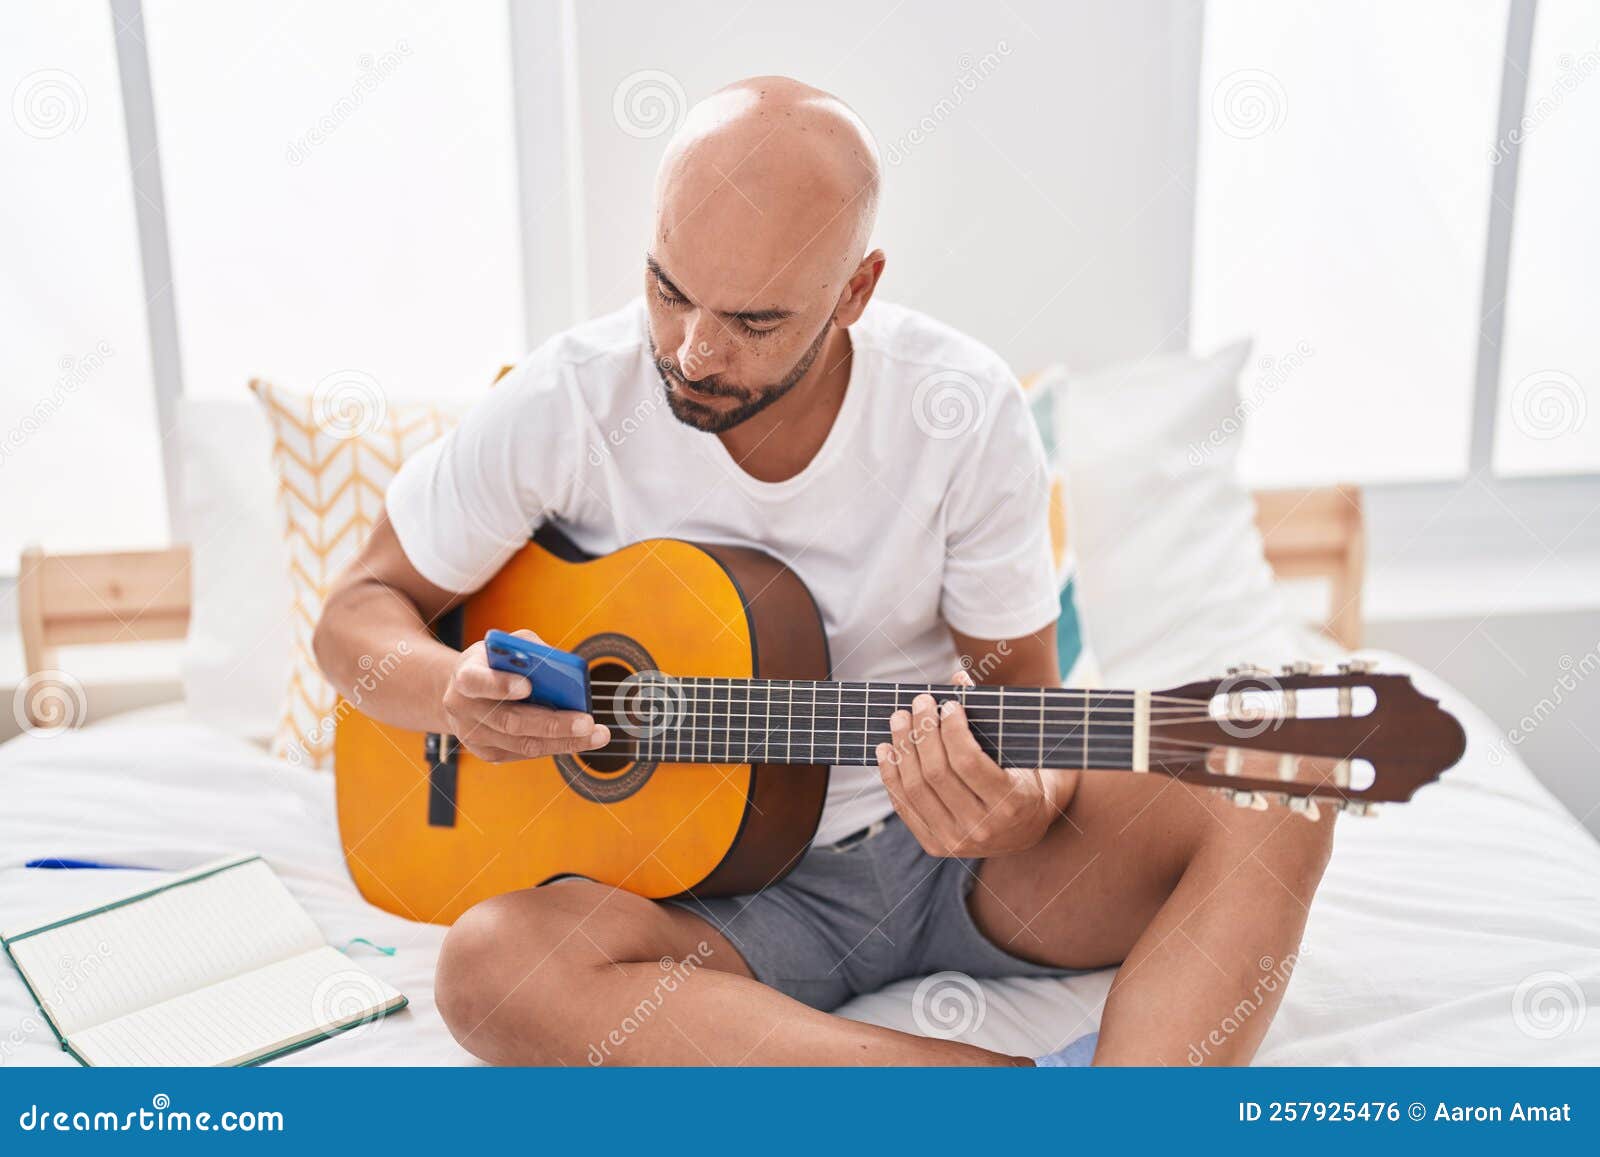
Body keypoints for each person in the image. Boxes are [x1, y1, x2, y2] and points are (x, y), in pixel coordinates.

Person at [314, 76, 1333, 1066]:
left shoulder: (960, 407)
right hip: (705, 908)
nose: (693, 352)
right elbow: (356, 612)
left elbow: (1027, 703)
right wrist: (452, 695)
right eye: (669, 291)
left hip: (953, 866)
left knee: (1283, 779)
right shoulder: (569, 398)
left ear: (854, 290)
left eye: (753, 321)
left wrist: (1018, 798)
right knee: (490, 967)